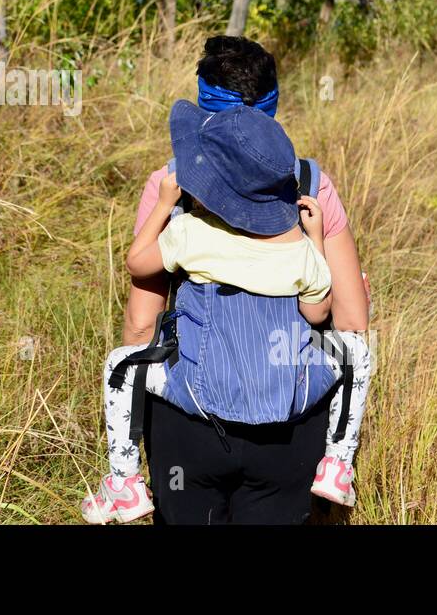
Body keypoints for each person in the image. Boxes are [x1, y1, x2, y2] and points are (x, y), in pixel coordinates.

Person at [129, 37, 370, 525]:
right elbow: (350, 320)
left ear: (204, 103)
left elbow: (141, 322)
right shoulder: (310, 185)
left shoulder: (171, 185)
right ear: (273, 102)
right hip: (290, 422)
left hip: (189, 417)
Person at [81, 101, 332, 524]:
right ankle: (339, 462)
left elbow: (137, 263)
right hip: (283, 415)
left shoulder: (190, 234)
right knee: (355, 354)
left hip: (199, 406)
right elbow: (317, 313)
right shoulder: (300, 252)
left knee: (120, 366)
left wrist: (163, 204)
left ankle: (124, 481)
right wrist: (317, 239)